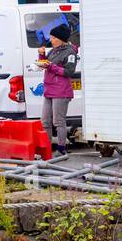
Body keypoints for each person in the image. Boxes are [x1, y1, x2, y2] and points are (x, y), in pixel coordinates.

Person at [38, 23, 78, 158]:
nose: (51, 40)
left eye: (54, 37)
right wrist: (42, 57)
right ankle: (47, 148)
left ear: (61, 39)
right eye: (51, 37)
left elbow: (69, 71)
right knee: (45, 121)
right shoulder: (52, 51)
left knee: (58, 121)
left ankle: (61, 148)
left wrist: (51, 67)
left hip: (61, 91)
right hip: (49, 89)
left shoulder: (70, 52)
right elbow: (46, 65)